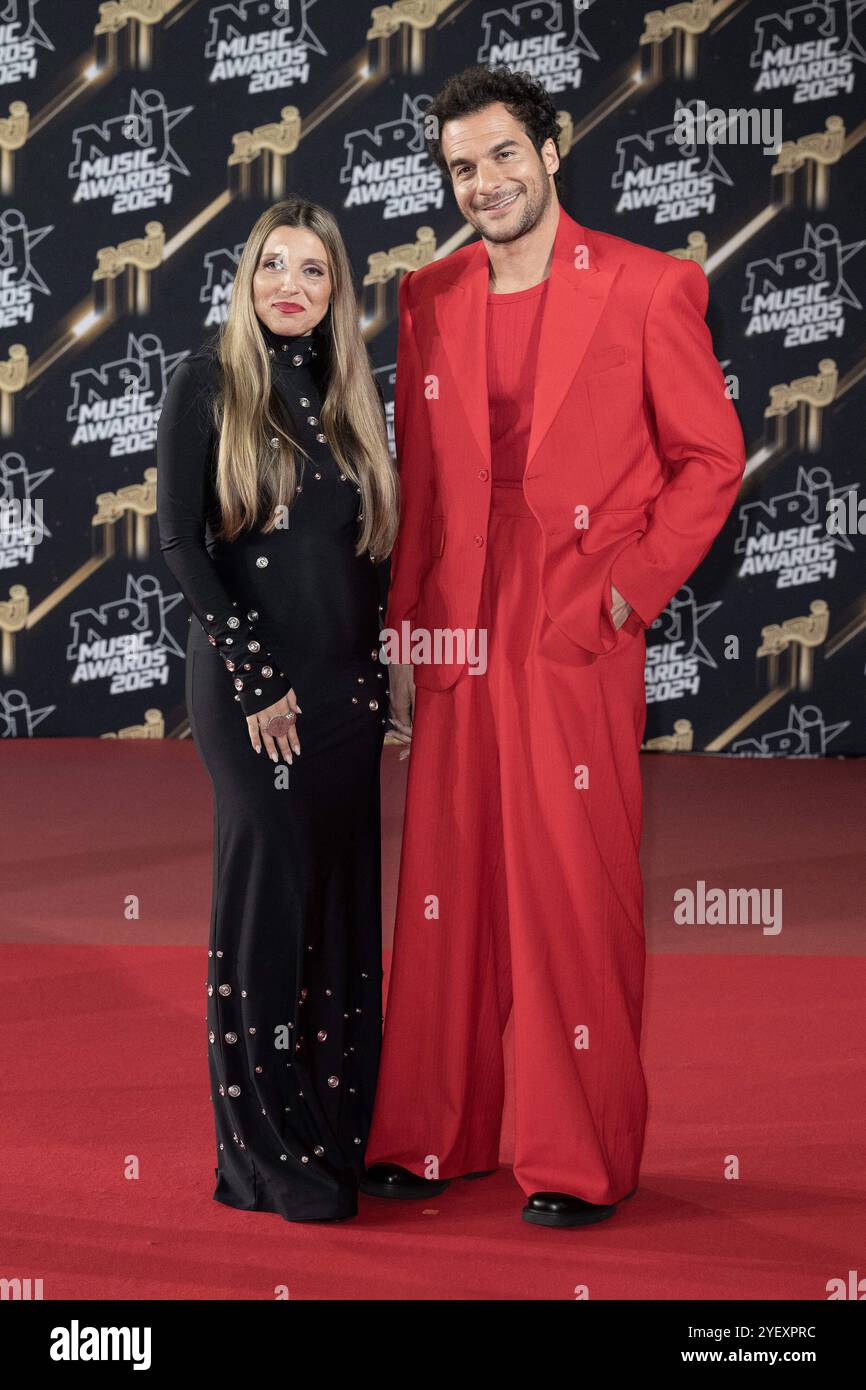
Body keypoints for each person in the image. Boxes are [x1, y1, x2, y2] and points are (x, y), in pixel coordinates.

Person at [362, 66, 746, 1227]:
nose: (483, 182)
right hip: (456, 624)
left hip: (571, 624)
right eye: (460, 166)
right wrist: (406, 639)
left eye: (500, 156)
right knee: (442, 888)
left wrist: (622, 596)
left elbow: (708, 460)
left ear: (549, 149)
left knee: (570, 889)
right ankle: (432, 1133)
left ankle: (577, 1156)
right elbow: (423, 487)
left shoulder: (646, 285)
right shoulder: (426, 293)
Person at [156, 197, 397, 1222]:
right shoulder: (206, 384)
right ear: (245, 280)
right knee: (267, 919)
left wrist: (381, 682)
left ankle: (333, 1133)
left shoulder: (350, 398)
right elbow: (183, 547)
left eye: (311, 271)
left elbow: (363, 564)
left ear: (337, 292)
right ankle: (259, 1155)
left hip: (345, 698)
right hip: (258, 703)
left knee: (341, 920)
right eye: (270, 267)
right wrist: (258, 682)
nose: (288, 287)